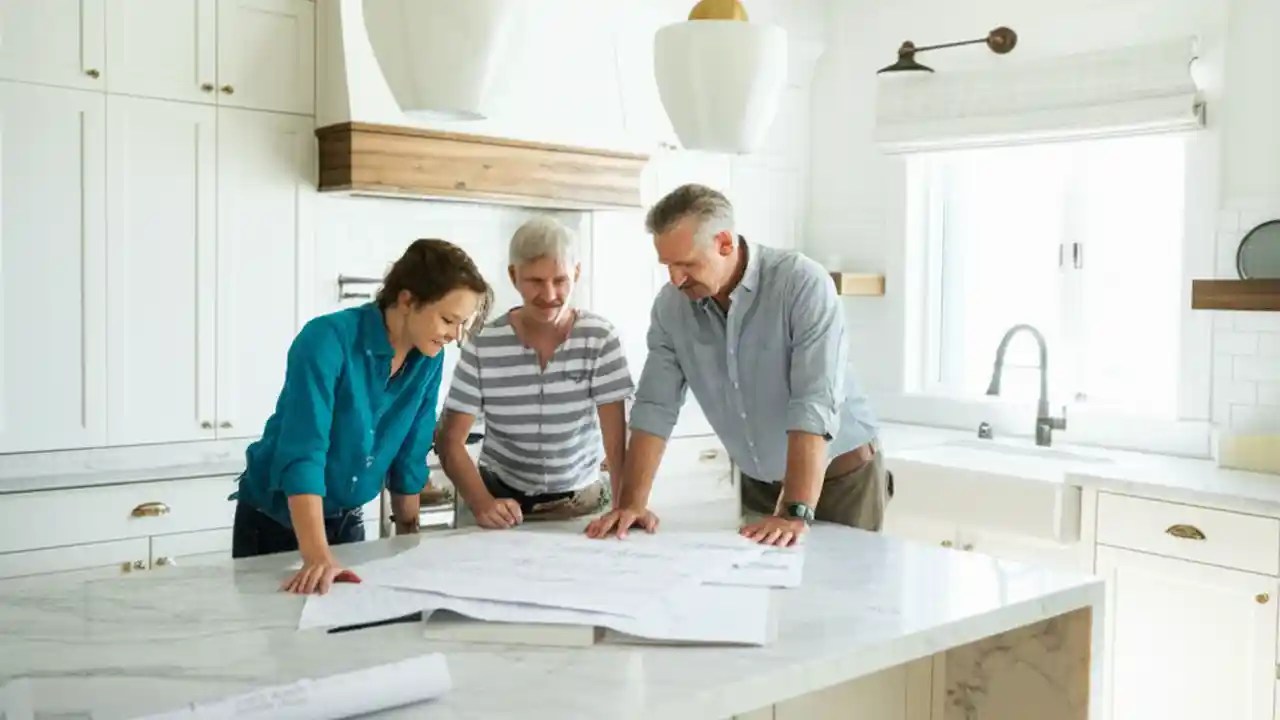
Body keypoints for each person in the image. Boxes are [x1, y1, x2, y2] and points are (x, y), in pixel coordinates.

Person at [586, 184, 890, 547]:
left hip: (841, 480)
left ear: (725, 243)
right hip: (759, 485)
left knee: (841, 600)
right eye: (668, 265)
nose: (675, 279)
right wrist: (631, 503)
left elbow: (814, 400)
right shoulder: (672, 306)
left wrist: (794, 510)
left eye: (687, 264)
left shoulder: (801, 283)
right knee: (768, 598)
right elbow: (655, 405)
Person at [229, 238, 493, 595]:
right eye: (448, 319)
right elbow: (305, 452)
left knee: (350, 641)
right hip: (275, 523)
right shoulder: (326, 339)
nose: (454, 335)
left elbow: (410, 455)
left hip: (348, 521)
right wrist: (317, 555)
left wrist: (408, 543)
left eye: (462, 324)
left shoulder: (429, 358)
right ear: (407, 299)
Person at [437, 216, 633, 529]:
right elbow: (450, 440)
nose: (550, 293)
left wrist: (625, 507)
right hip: (498, 498)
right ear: (514, 276)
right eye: (535, 281)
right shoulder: (483, 343)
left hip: (579, 505)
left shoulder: (600, 338)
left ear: (577, 273)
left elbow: (618, 438)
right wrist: (482, 503)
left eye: (560, 280)